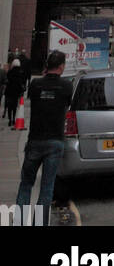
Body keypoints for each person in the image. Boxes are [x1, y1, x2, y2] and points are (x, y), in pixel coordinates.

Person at [15, 50, 73, 224]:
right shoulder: (66, 86)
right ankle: (39, 223)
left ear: (47, 66)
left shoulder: (36, 84)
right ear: (62, 66)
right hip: (55, 141)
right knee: (47, 188)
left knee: (26, 184)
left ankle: (19, 221)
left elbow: (33, 97)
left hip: (35, 140)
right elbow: (67, 104)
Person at [4, 57, 24, 126]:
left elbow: (7, 81)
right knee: (14, 106)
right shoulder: (20, 73)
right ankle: (14, 119)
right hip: (16, 92)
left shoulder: (10, 72)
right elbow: (20, 83)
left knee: (9, 106)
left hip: (9, 91)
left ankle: (10, 120)